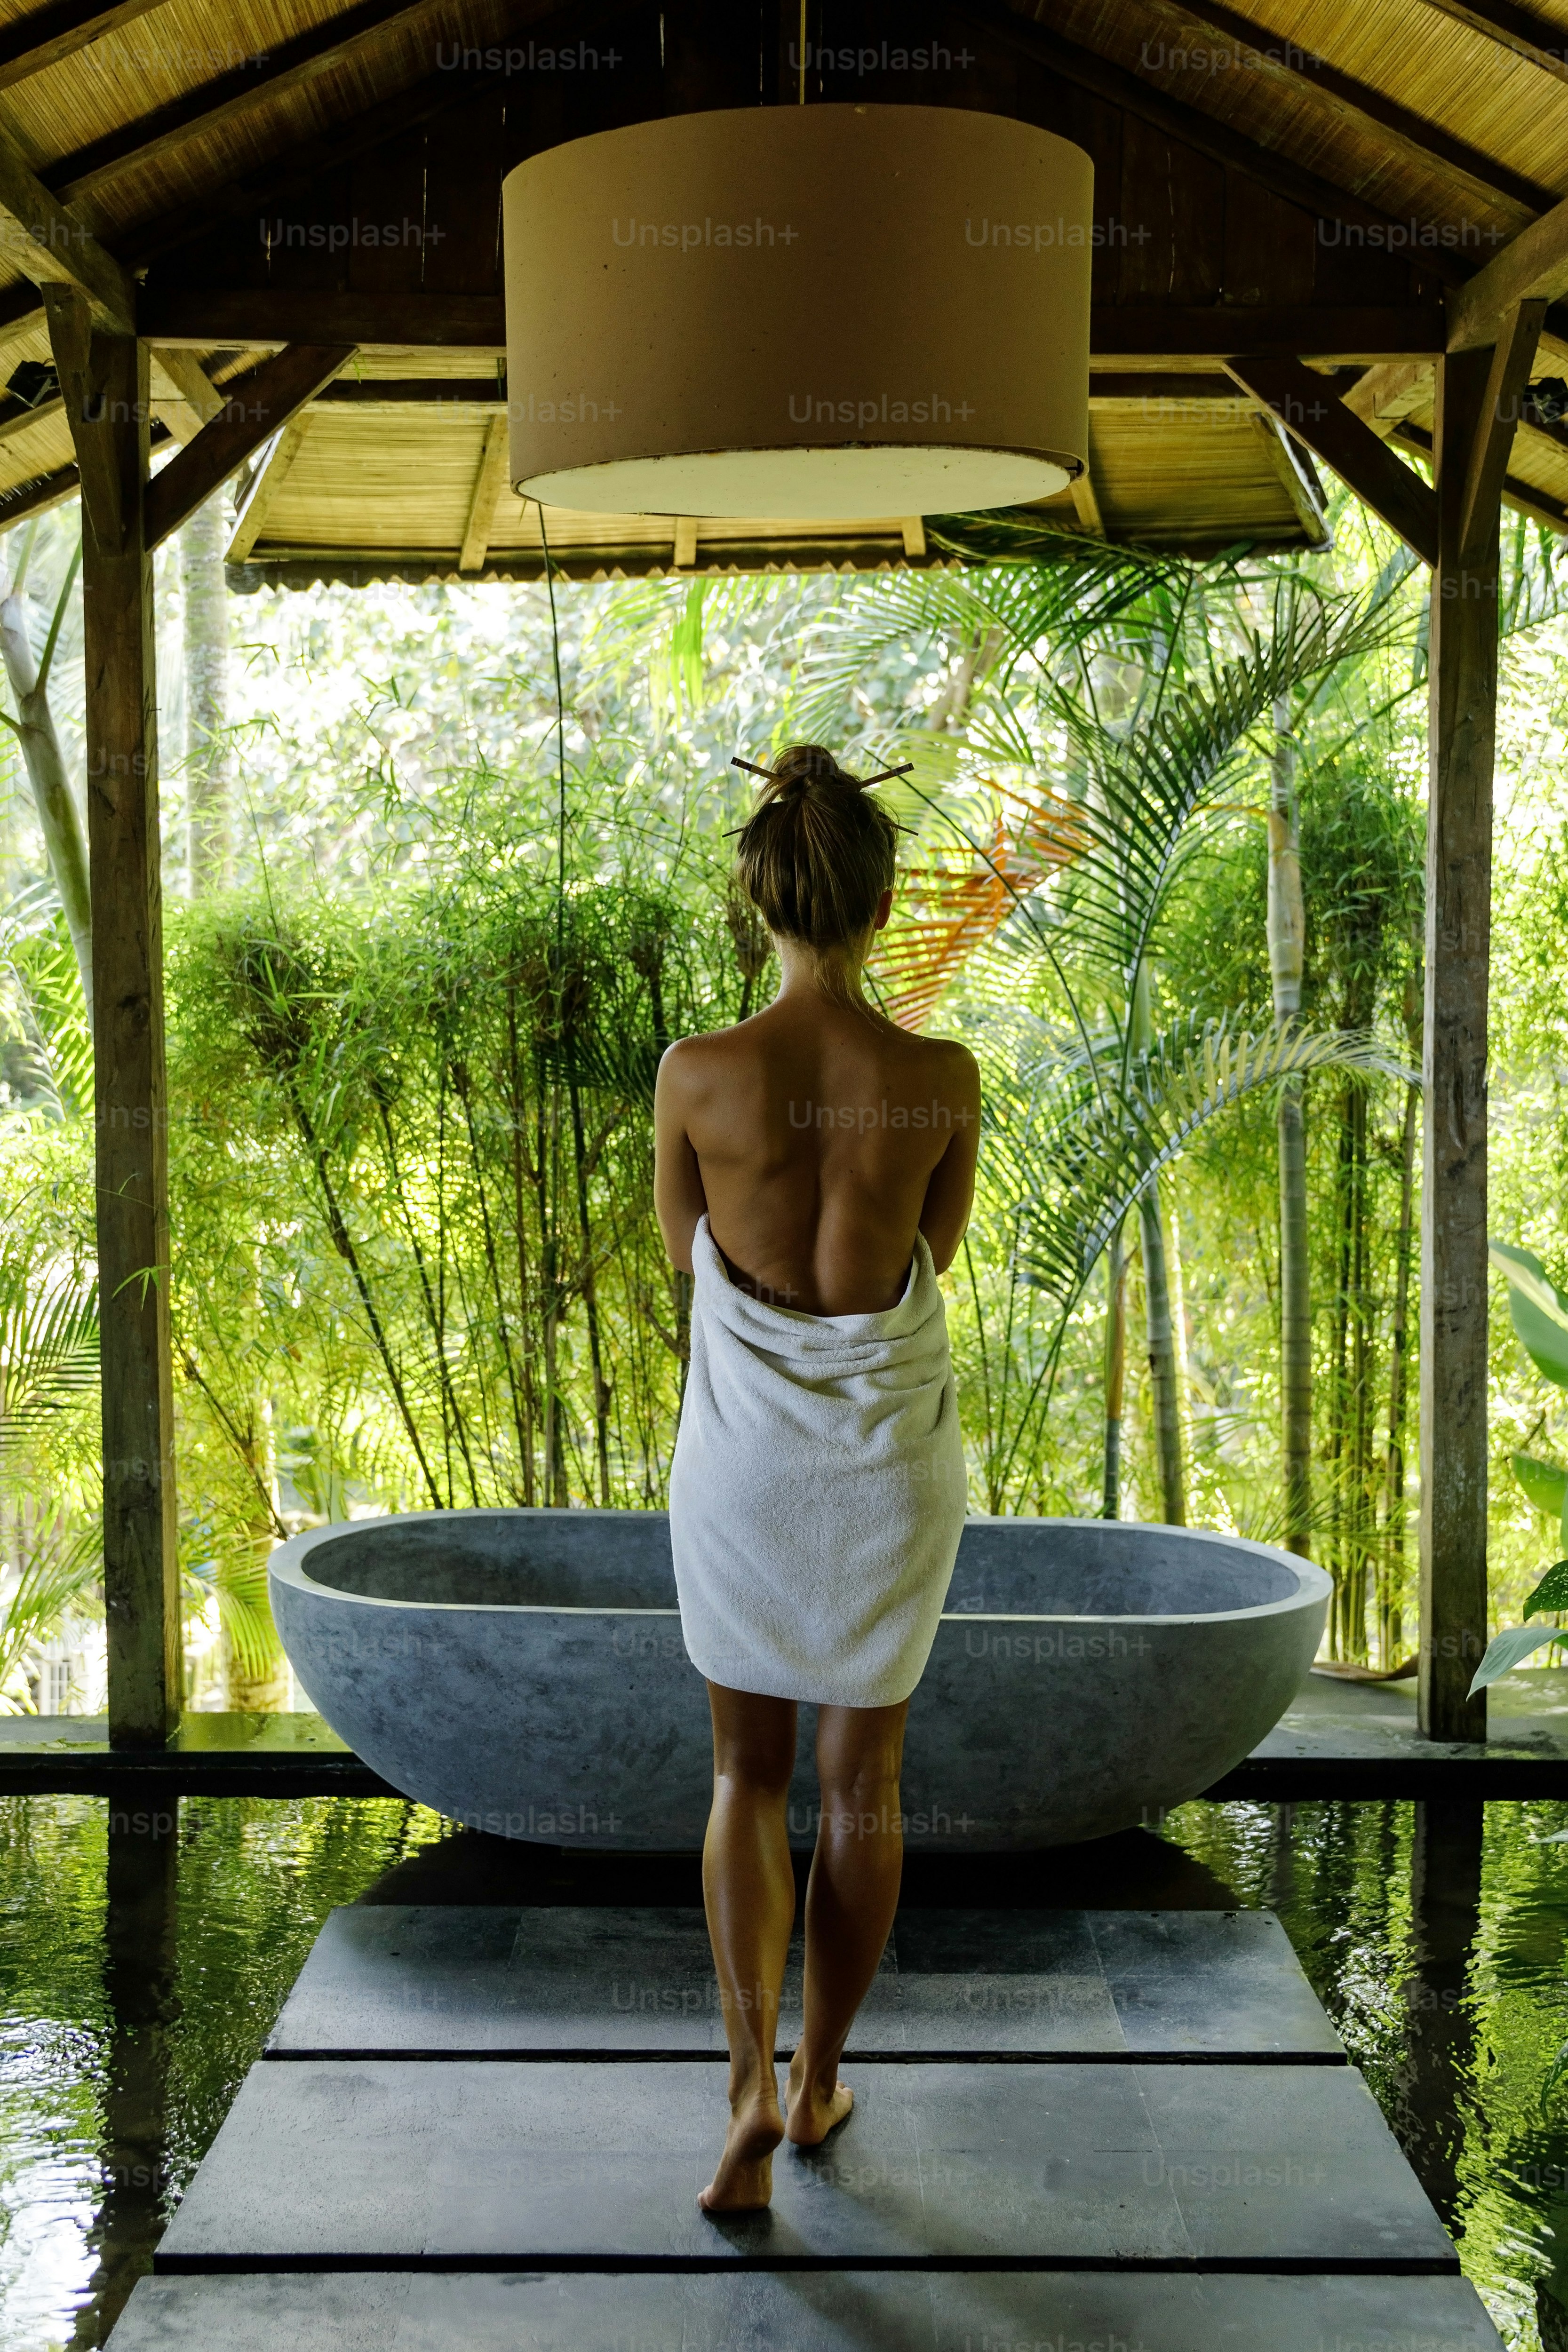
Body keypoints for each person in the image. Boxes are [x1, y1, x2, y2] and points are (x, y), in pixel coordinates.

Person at [654, 742, 979, 2214]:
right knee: (865, 1788)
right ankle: (819, 2081)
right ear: (878, 900)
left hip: (743, 1467)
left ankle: (742, 2094)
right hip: (887, 1470)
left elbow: (689, 1262)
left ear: (762, 896)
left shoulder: (699, 1076)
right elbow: (930, 1261)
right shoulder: (939, 1079)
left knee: (746, 1773)